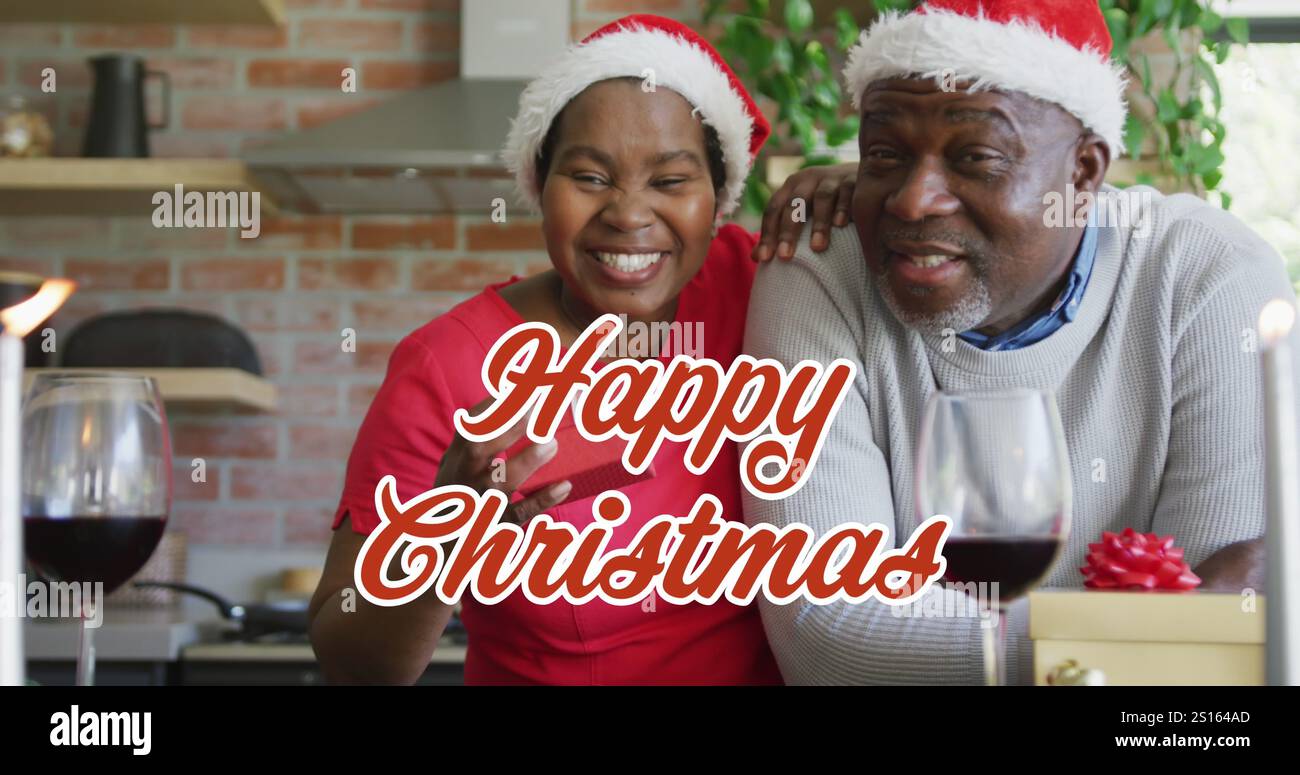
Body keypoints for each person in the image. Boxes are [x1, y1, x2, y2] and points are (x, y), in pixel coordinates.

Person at [743, 0, 1290, 685]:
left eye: (978, 156)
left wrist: (1180, 636)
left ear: (1084, 173)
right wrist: (1136, 641)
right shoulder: (820, 260)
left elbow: (1216, 667)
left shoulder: (1207, 274)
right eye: (885, 153)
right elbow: (827, 638)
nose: (913, 201)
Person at [308, 14, 851, 685]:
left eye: (671, 180)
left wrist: (851, 187)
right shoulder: (449, 367)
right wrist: (446, 542)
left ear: (720, 198)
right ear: (539, 185)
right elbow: (349, 659)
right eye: (590, 177)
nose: (627, 213)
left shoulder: (768, 289)